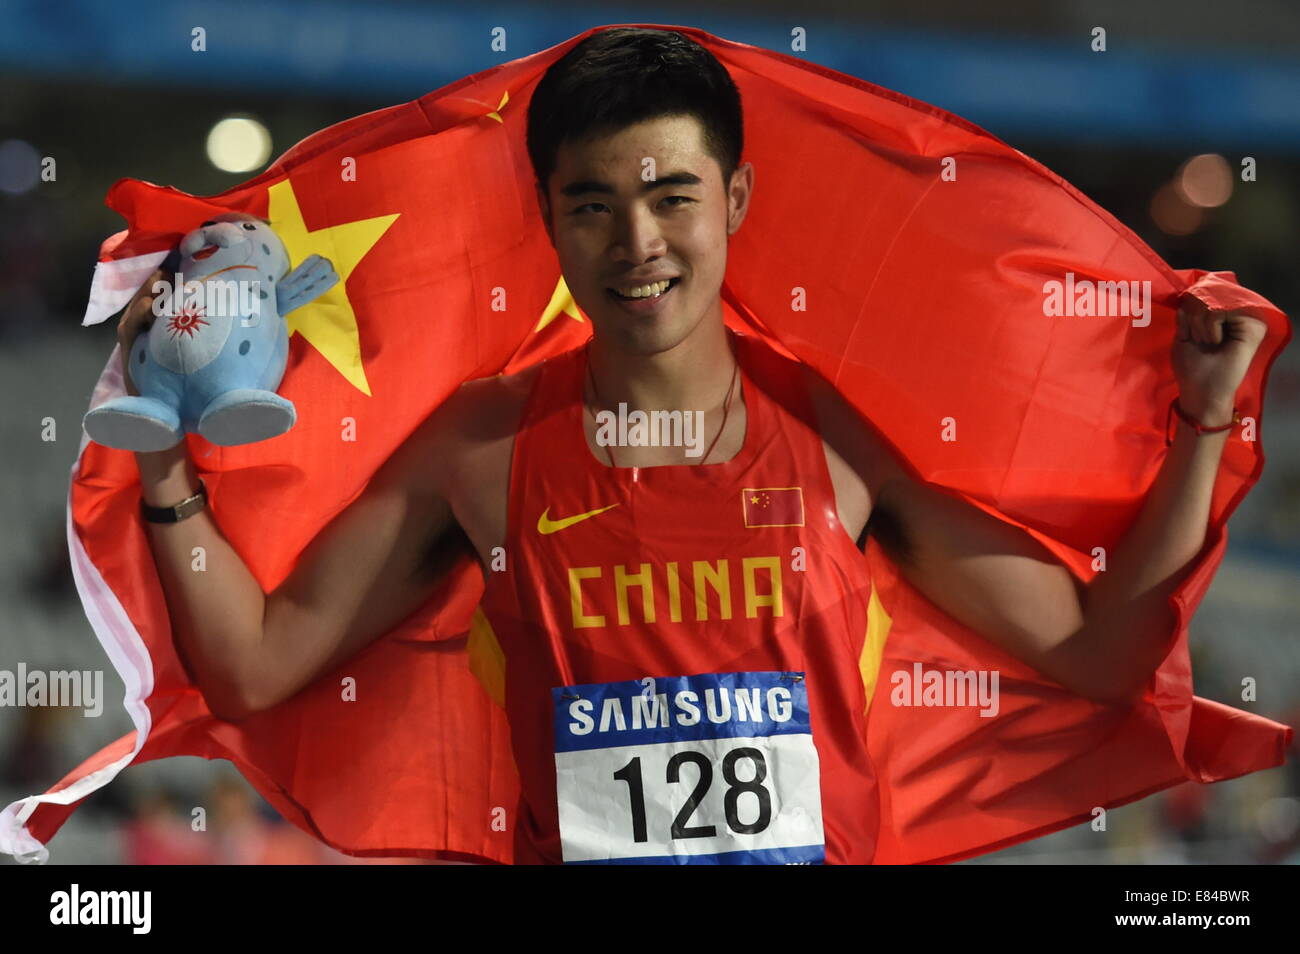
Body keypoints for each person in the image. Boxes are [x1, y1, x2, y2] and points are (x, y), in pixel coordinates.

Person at [113, 27, 1269, 864]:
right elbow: (258, 664)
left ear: (737, 200)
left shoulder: (829, 435)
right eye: (591, 205)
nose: (637, 242)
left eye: (672, 195)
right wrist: (161, 454)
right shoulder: (481, 447)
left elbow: (1098, 655)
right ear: (550, 220)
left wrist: (1204, 418)